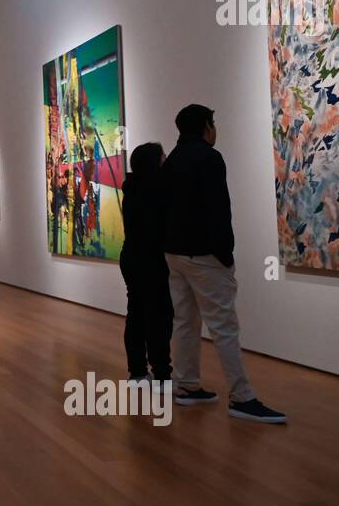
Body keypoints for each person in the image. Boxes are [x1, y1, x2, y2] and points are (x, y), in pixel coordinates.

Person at [162, 104, 286, 423]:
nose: (215, 129)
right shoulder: (209, 158)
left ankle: (186, 385)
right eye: (213, 123)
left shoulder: (172, 160)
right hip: (204, 255)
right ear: (205, 126)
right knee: (224, 326)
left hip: (174, 254)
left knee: (185, 321)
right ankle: (242, 396)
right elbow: (219, 210)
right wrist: (225, 254)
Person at [119, 142, 172, 383]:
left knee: (137, 313)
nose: (166, 160)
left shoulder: (132, 188)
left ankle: (138, 372)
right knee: (158, 314)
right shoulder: (157, 190)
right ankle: (162, 373)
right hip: (151, 258)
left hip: (131, 256)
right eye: (163, 157)